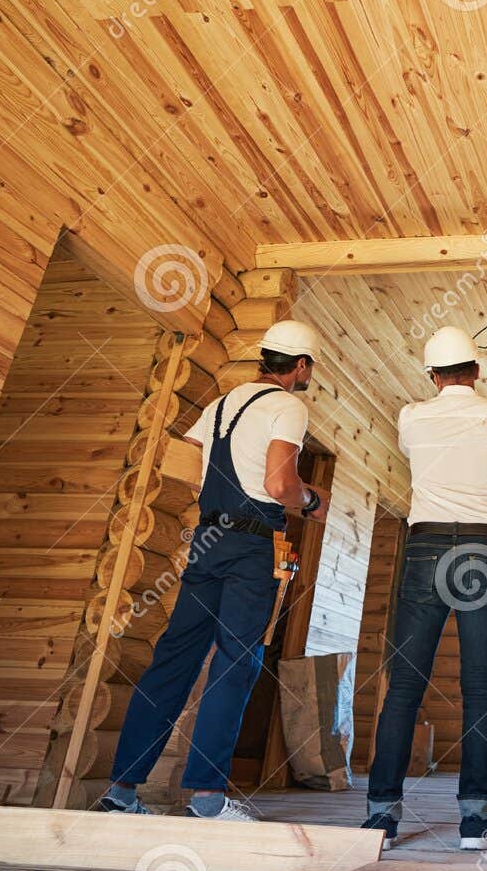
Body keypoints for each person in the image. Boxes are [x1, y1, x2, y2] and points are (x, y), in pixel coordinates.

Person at [93, 320, 330, 821]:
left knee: (174, 659)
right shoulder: (288, 405)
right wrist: (309, 502)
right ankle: (207, 797)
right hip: (252, 544)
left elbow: (188, 465)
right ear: (301, 366)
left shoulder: (220, 404)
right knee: (235, 662)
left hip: (207, 540)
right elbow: (278, 482)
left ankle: (122, 791)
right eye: (309, 368)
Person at [362, 325, 487, 850]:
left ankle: (380, 820)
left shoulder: (412, 417)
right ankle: (474, 823)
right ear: (477, 372)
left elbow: (415, 454)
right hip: (484, 549)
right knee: (480, 689)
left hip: (425, 548)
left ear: (432, 376)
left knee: (403, 688)